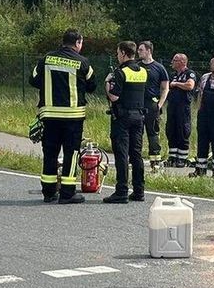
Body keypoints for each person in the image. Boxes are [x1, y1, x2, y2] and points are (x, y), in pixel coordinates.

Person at [30, 28, 96, 204]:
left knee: (50, 153)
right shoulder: (83, 62)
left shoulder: (46, 59)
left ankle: (49, 192)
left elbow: (33, 79)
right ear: (77, 43)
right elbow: (92, 86)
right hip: (73, 118)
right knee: (71, 153)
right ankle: (67, 192)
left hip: (50, 116)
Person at [103, 41, 149, 204]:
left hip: (122, 118)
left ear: (123, 53)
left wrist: (107, 84)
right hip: (139, 117)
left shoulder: (120, 72)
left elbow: (114, 97)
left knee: (122, 154)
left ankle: (121, 191)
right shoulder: (143, 71)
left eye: (117, 53)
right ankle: (139, 191)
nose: (117, 55)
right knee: (136, 154)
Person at [138, 41, 169, 170]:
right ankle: (135, 160)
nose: (138, 52)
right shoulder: (136, 66)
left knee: (153, 133)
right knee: (136, 133)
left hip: (152, 104)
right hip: (137, 104)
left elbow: (165, 88)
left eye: (141, 50)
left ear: (149, 51)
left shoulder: (159, 68)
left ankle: (155, 162)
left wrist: (159, 105)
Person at [163, 54, 196, 167]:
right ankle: (172, 157)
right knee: (171, 131)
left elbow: (190, 85)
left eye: (175, 60)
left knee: (183, 131)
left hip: (183, 107)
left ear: (182, 62)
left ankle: (182, 158)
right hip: (172, 106)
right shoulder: (172, 75)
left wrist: (176, 84)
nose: (172, 62)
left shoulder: (189, 73)